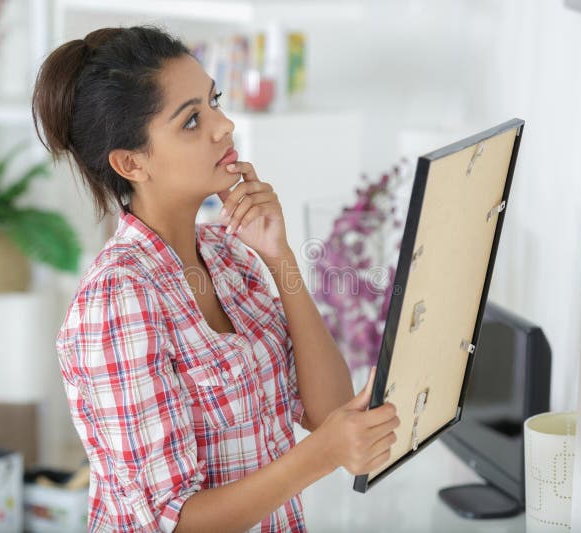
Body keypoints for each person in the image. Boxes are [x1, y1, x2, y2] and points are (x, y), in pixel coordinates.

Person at [32, 25, 400, 533]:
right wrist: (322, 455)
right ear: (132, 162)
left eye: (214, 101)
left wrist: (280, 257)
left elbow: (329, 411)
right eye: (191, 121)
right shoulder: (118, 301)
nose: (223, 126)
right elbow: (173, 522)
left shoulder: (228, 255)